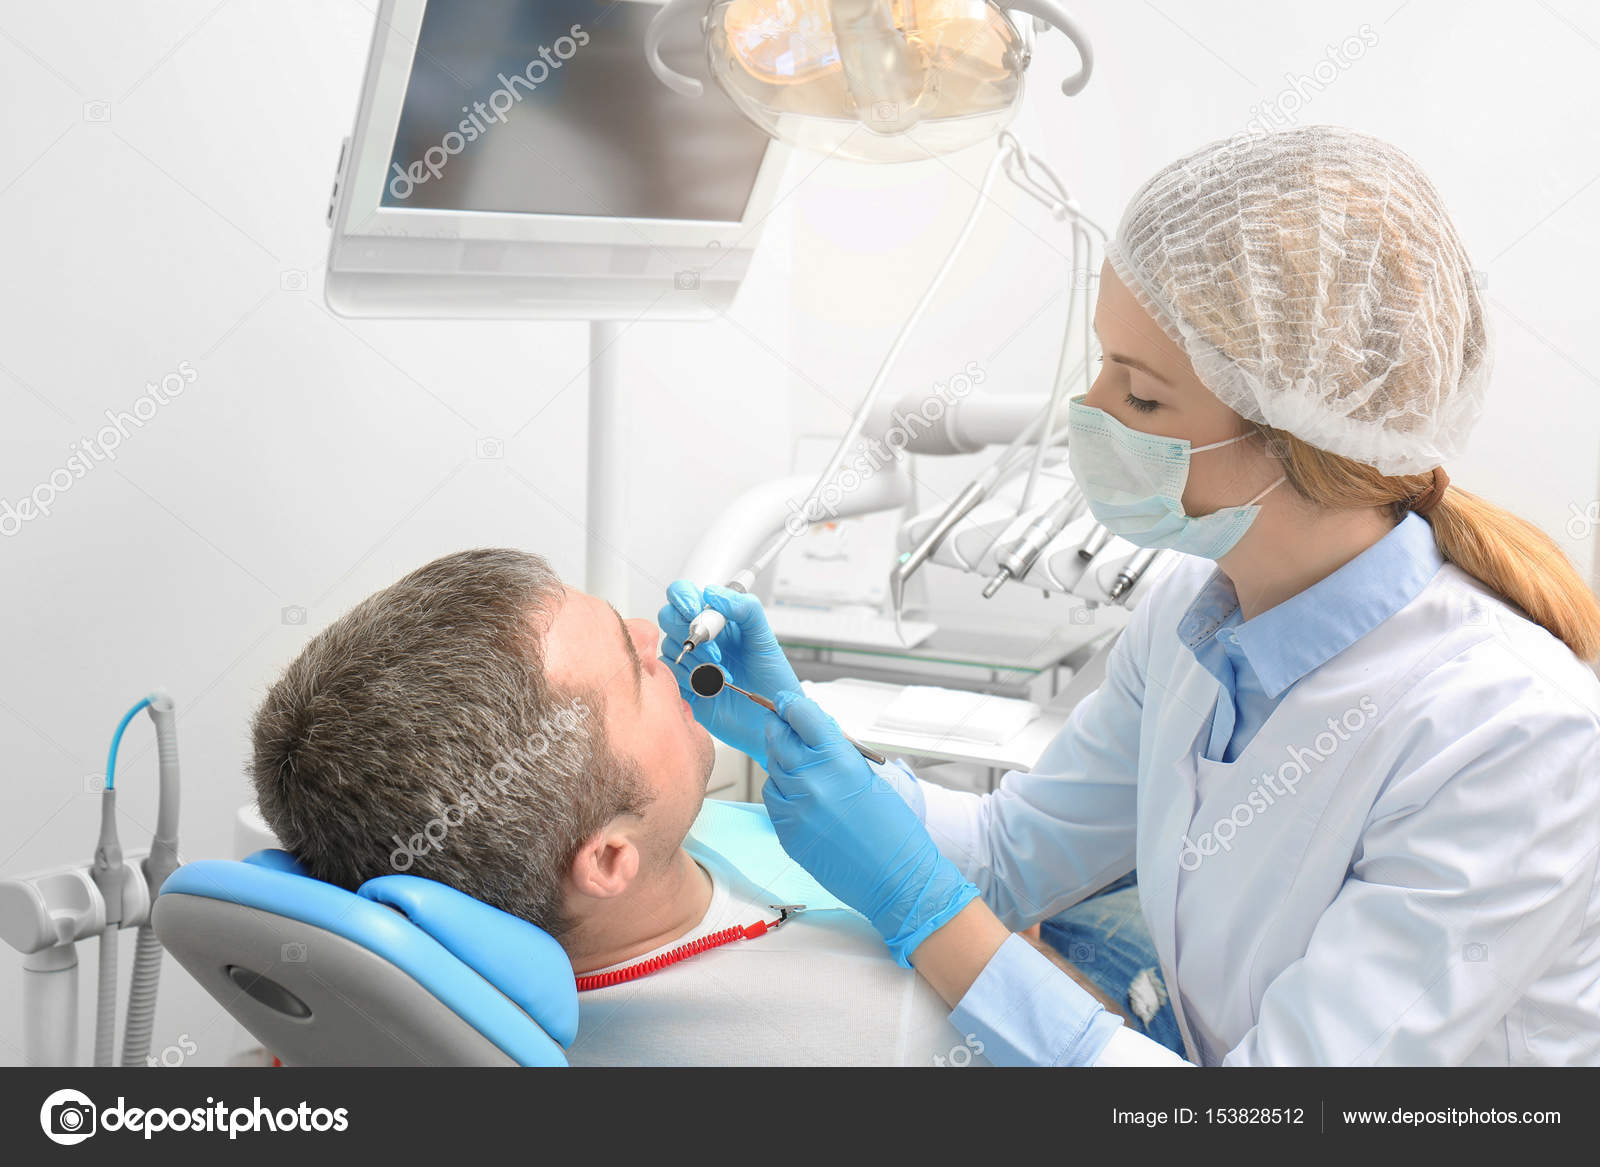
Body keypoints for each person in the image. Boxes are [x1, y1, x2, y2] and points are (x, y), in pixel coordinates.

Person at [660, 125, 1600, 1066]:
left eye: (1143, 398)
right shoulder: (1201, 611)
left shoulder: (1512, 737)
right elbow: (1013, 848)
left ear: (1301, 434)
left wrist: (928, 915)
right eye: (1102, 363)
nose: (1090, 413)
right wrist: (801, 740)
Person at [248, 548, 1113, 1064]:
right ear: (608, 858)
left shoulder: (669, 843)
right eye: (634, 667)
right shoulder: (889, 1036)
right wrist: (976, 924)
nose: (659, 643)